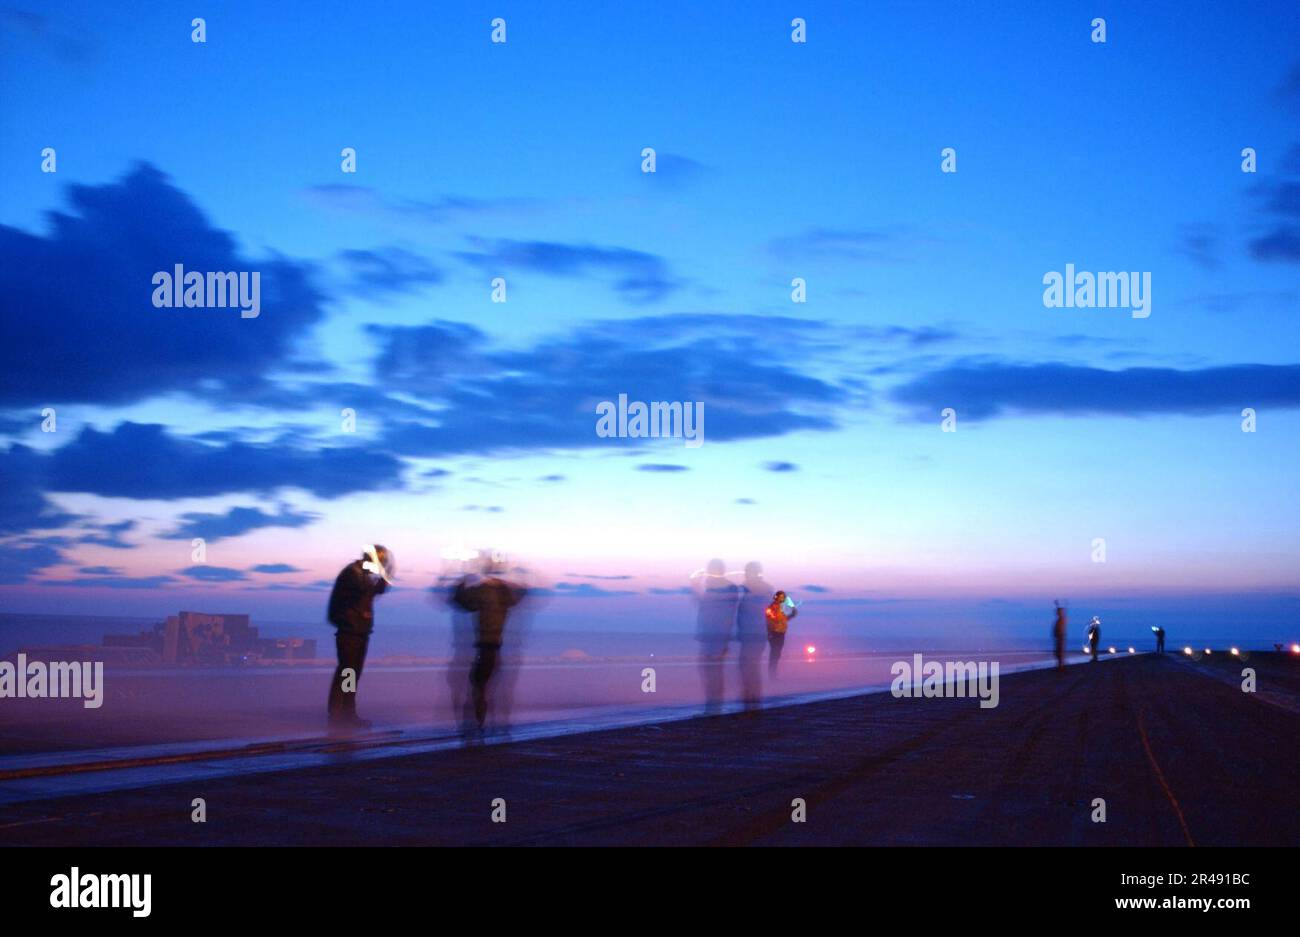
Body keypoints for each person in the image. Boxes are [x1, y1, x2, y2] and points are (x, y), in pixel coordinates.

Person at [451, 551, 526, 737]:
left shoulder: (484, 591)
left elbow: (461, 602)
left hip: (484, 645)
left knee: (478, 684)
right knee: (490, 684)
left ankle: (478, 721)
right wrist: (520, 577)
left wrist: (460, 581)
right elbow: (520, 595)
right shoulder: (505, 593)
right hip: (495, 646)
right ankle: (491, 721)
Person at [326, 545, 392, 730]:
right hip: (350, 631)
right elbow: (367, 590)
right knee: (348, 673)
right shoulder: (352, 574)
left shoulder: (359, 574)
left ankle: (344, 713)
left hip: (358, 631)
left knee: (350, 674)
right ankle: (342, 714)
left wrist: (385, 576)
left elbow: (375, 590)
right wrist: (385, 574)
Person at [692, 559, 738, 715]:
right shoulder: (712, 588)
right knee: (709, 672)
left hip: (717, 636)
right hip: (709, 635)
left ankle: (714, 708)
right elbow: (704, 609)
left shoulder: (728, 588)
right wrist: (695, 586)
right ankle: (712, 707)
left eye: (711, 570)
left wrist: (724, 639)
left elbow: (727, 614)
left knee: (713, 672)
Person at [735, 562, 771, 710]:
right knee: (751, 666)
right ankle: (752, 699)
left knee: (748, 666)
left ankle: (751, 699)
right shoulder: (763, 590)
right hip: (756, 634)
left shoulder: (755, 591)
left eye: (747, 572)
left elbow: (749, 612)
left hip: (753, 634)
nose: (745, 574)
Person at [765, 590, 798, 676]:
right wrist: (769, 633)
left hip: (780, 632)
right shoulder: (772, 607)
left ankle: (773, 673)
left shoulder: (780, 608)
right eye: (782, 597)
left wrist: (792, 615)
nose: (783, 598)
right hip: (774, 633)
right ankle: (772, 674)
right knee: (774, 654)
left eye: (783, 597)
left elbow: (782, 620)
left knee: (776, 654)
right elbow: (771, 620)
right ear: (777, 597)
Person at [1053, 601, 1068, 672]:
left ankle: (1061, 667)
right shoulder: (1060, 619)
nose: (1056, 613)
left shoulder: (1062, 619)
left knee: (1060, 653)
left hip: (1060, 637)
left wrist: (1057, 605)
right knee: (1058, 653)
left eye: (1057, 612)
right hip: (1059, 637)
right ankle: (1060, 666)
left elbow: (1062, 613)